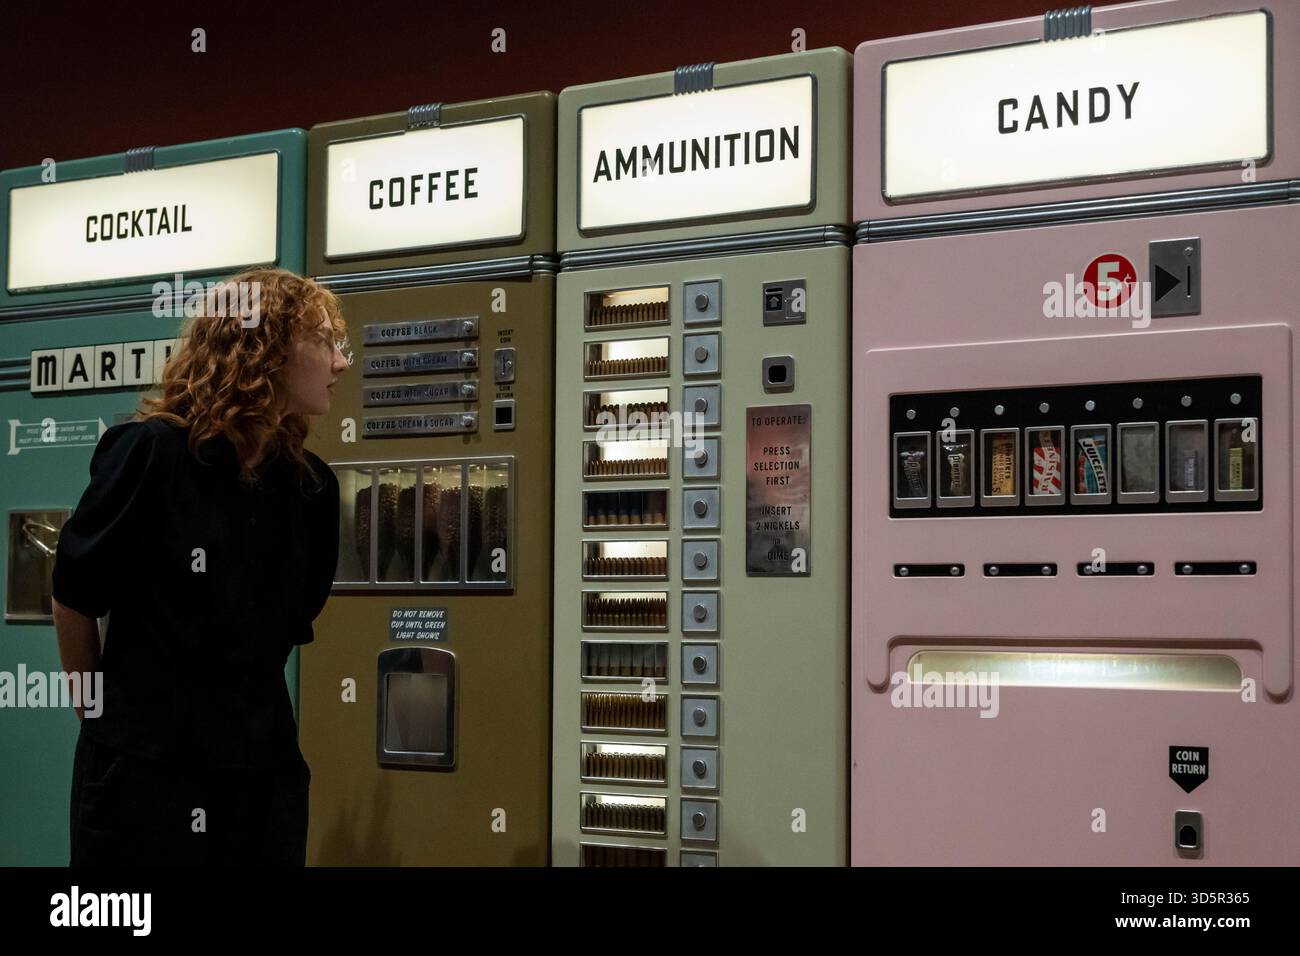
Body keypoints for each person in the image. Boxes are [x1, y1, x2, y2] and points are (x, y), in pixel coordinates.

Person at [52, 267, 351, 866]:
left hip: (259, 779)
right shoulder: (152, 453)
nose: (342, 362)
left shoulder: (310, 487)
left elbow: (286, 628)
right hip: (145, 780)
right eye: (325, 341)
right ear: (263, 347)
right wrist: (95, 713)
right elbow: (74, 593)